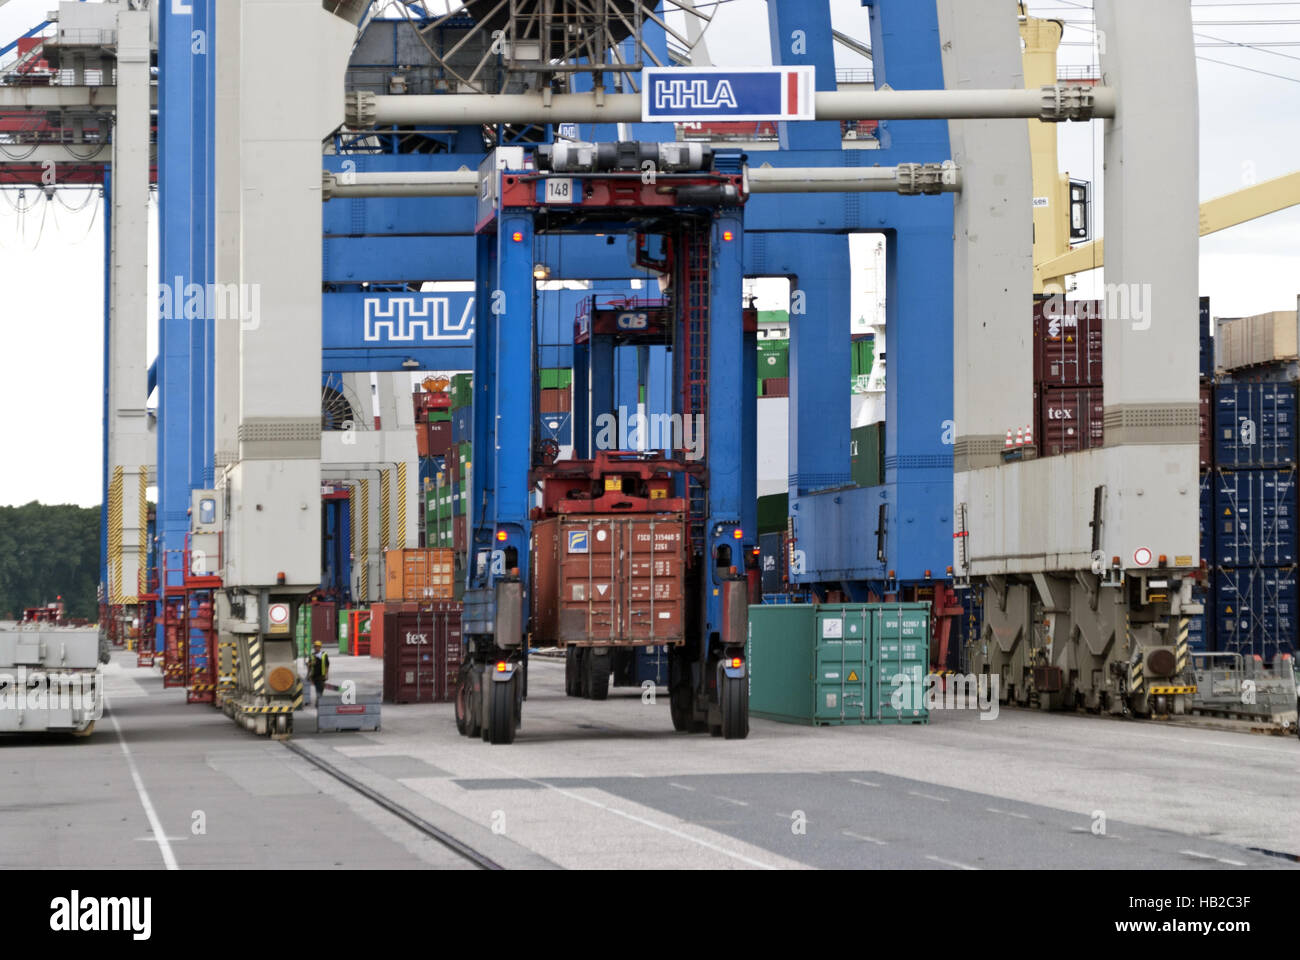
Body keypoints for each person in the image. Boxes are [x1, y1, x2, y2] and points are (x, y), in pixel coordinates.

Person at [308, 640, 329, 707]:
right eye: (315, 647)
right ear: (314, 647)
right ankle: (318, 702)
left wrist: (326, 675)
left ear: (320, 647)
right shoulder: (312, 656)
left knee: (321, 688)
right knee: (318, 689)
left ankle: (318, 700)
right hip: (315, 676)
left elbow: (327, 665)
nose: (316, 648)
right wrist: (309, 676)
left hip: (322, 676)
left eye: (318, 647)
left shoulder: (324, 655)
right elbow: (309, 666)